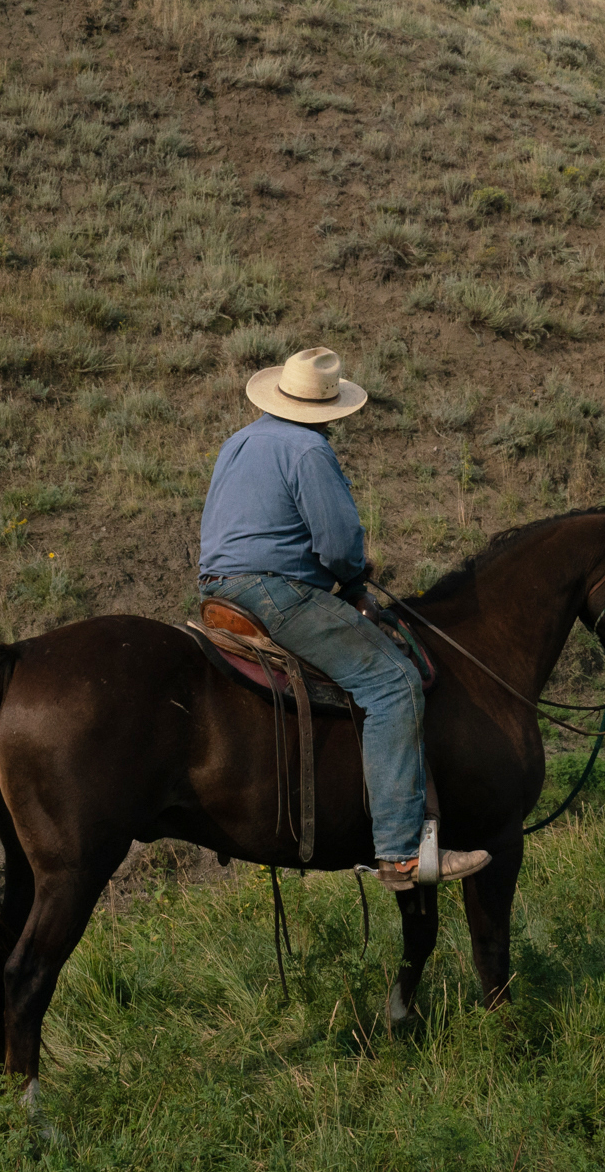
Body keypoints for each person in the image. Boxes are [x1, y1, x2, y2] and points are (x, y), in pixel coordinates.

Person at [197, 346, 491, 891]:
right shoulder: (309, 450)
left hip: (218, 591)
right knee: (394, 683)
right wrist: (355, 578)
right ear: (328, 409)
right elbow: (336, 544)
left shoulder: (239, 441)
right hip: (275, 594)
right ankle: (402, 852)